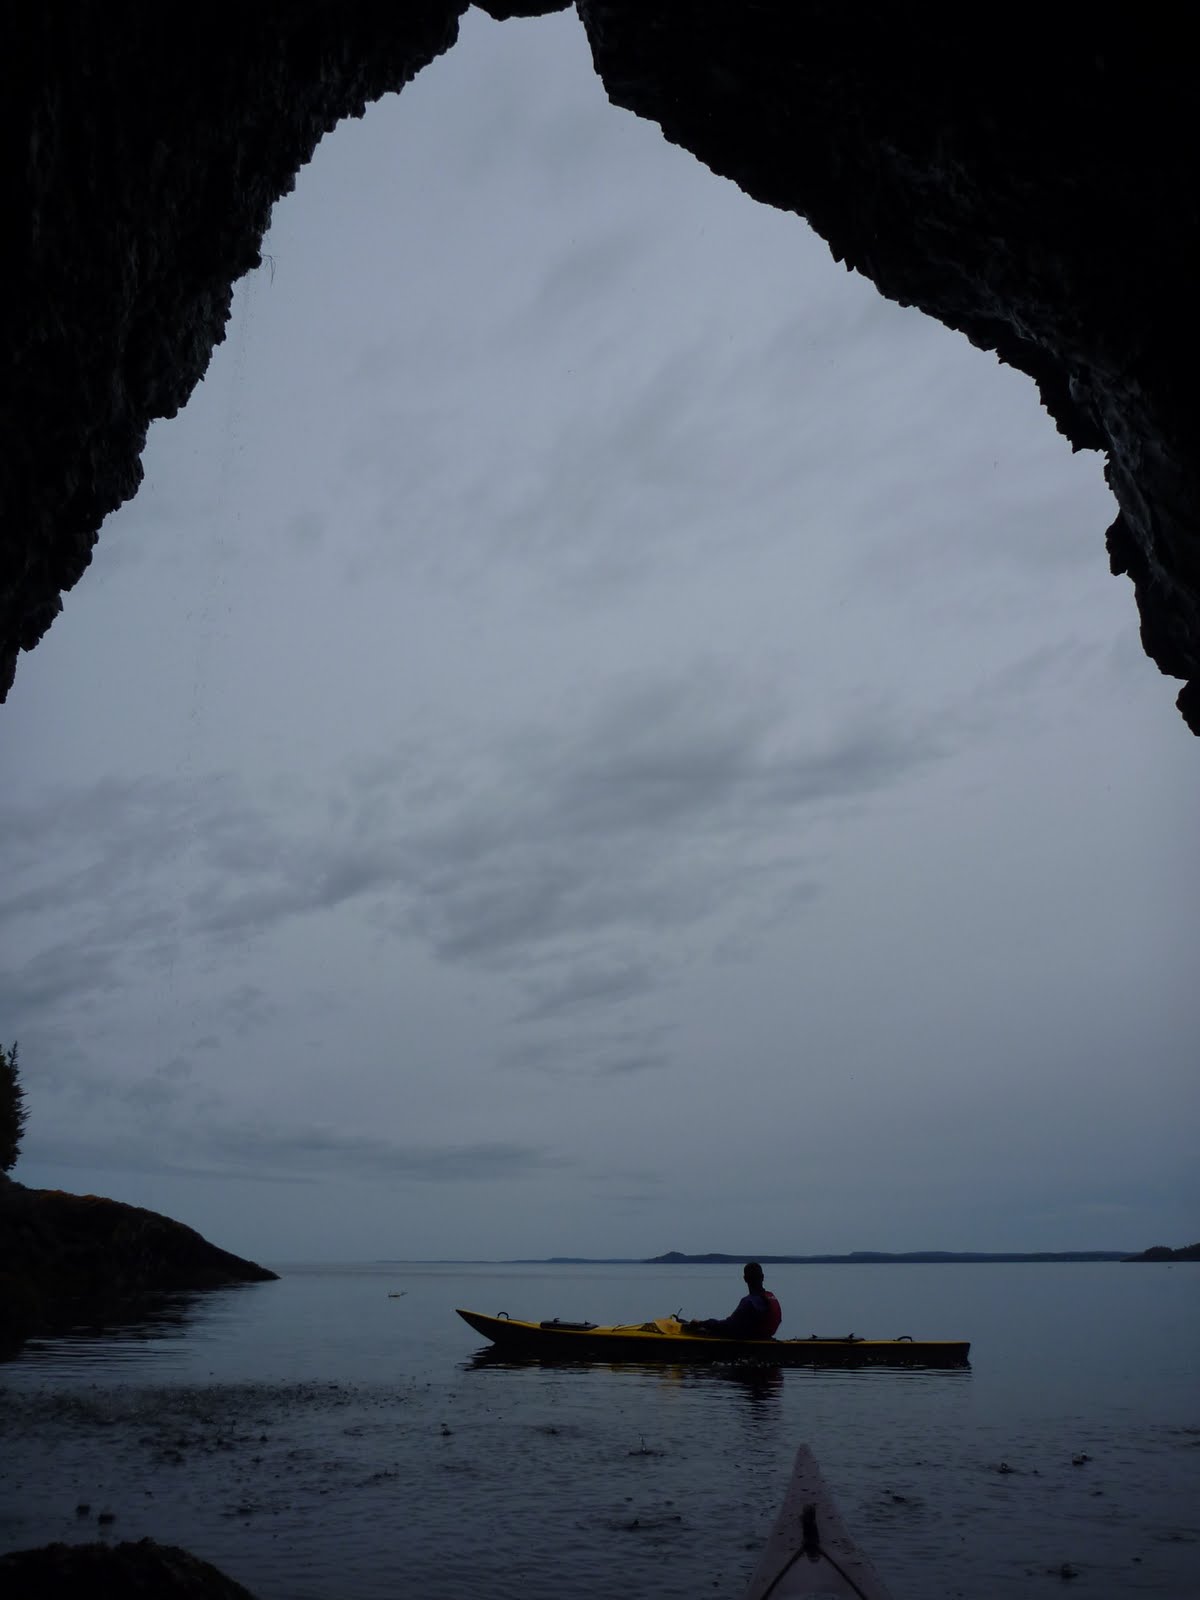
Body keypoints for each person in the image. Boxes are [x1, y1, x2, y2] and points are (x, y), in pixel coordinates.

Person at [685, 1262, 782, 1339]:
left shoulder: (749, 1302)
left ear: (745, 1279)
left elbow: (728, 1325)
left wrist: (702, 1323)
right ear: (762, 1277)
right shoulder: (770, 1298)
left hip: (748, 1340)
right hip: (764, 1337)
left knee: (700, 1329)